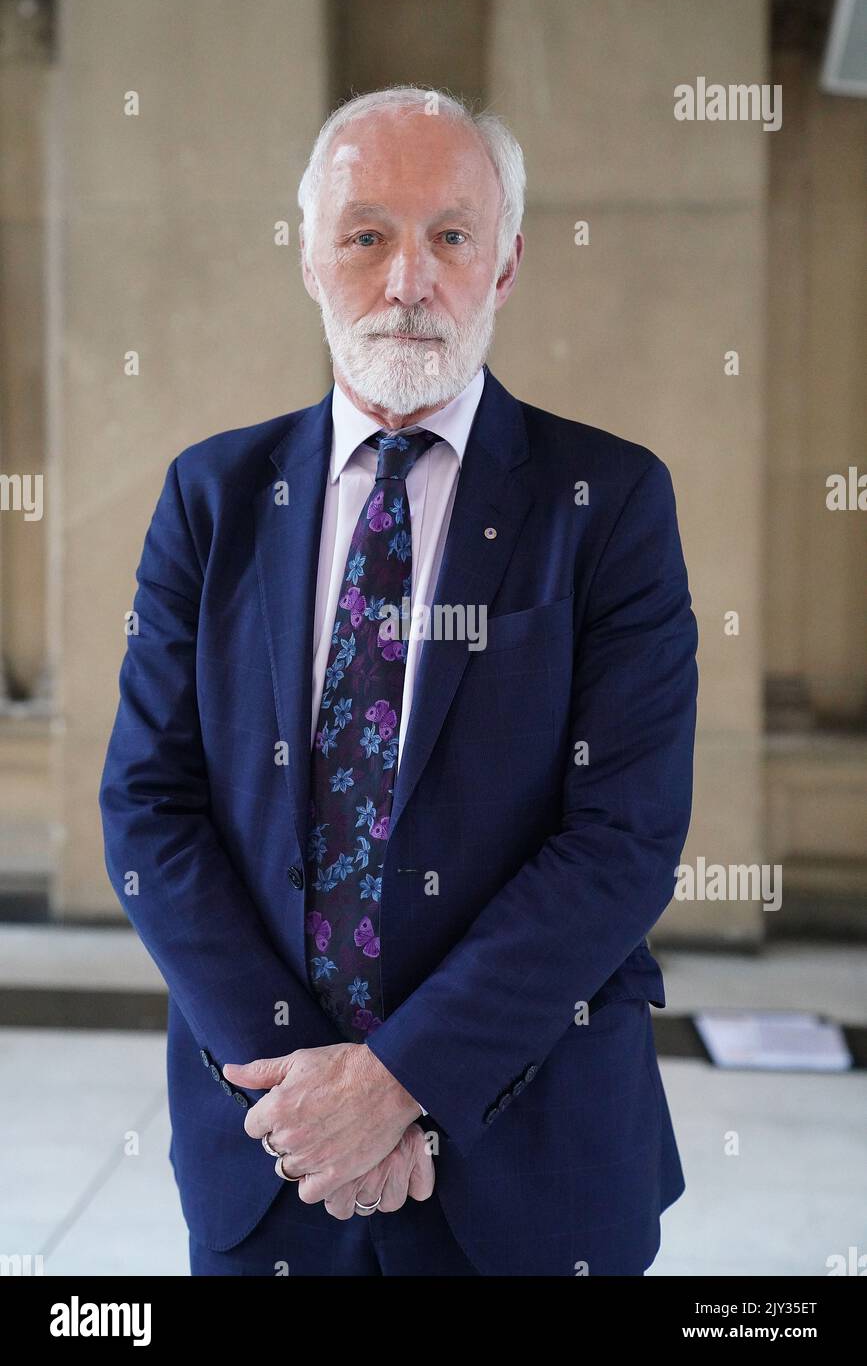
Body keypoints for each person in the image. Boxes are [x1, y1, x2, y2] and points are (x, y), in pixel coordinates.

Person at [99, 84, 698, 1277]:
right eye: (367, 233)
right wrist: (316, 1098)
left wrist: (397, 1081)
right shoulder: (209, 499)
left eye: (452, 236)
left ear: (509, 263)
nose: (409, 279)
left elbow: (621, 841)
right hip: (271, 1155)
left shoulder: (610, 501)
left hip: (533, 1168)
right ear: (312, 260)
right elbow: (149, 814)